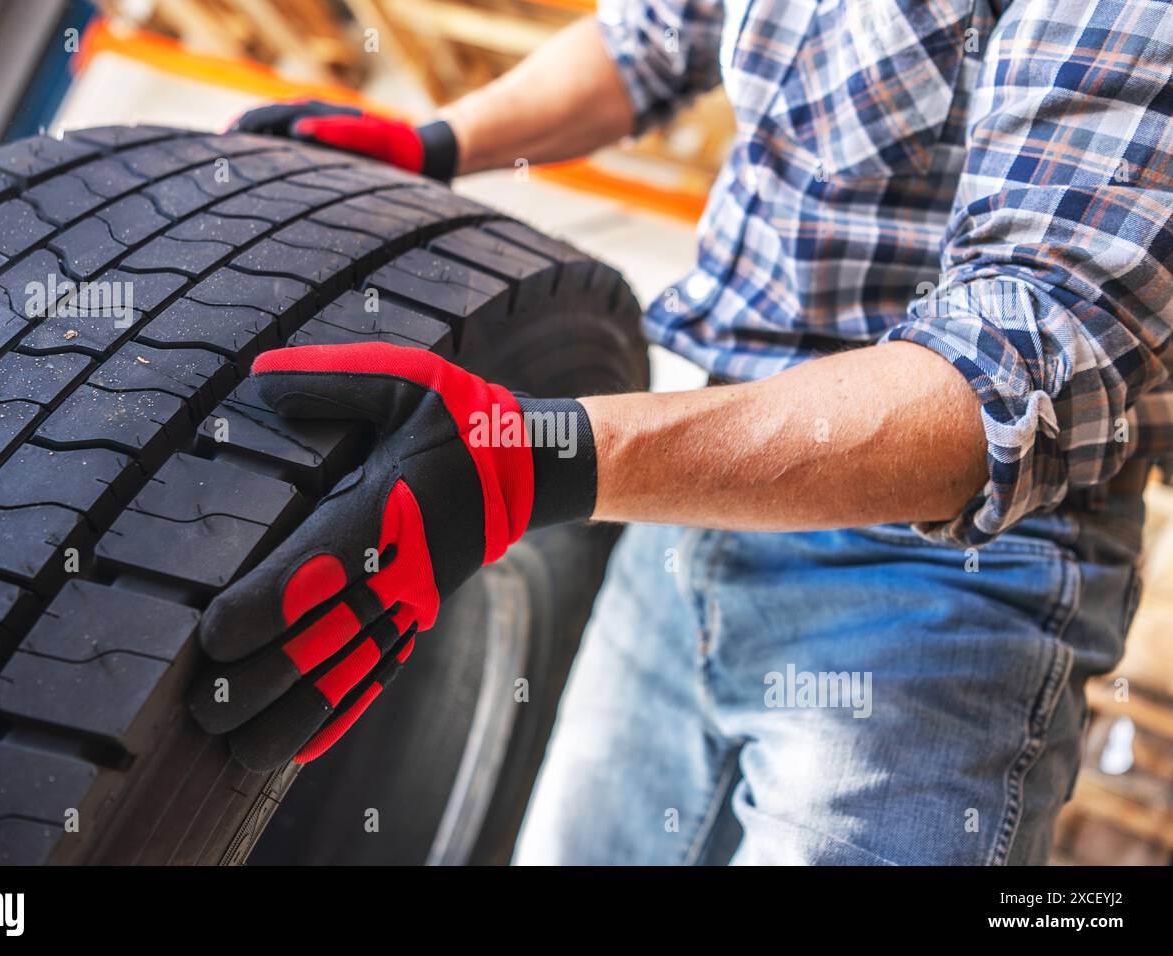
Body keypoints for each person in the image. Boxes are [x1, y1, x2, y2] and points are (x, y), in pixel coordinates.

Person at [188, 0, 1170, 864]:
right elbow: (652, 38)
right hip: (689, 511)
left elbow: (1019, 368)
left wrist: (528, 464)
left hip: (941, 591)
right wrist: (434, 146)